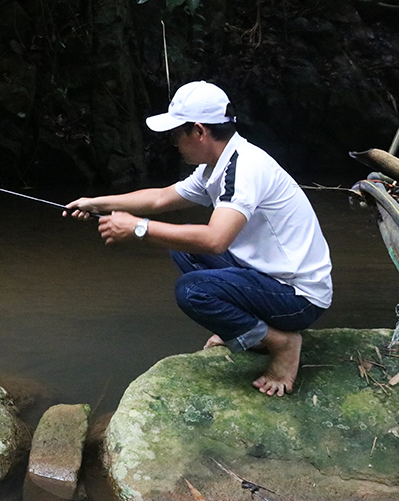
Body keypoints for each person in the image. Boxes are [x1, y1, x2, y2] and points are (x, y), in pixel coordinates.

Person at [64, 81, 332, 397]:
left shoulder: (242, 170)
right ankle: (248, 331)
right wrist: (97, 203)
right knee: (183, 252)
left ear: (199, 132)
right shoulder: (217, 165)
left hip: (298, 298)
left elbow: (216, 240)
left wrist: (138, 228)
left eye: (177, 133)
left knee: (193, 291)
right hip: (268, 277)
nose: (174, 142)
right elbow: (161, 199)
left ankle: (282, 343)